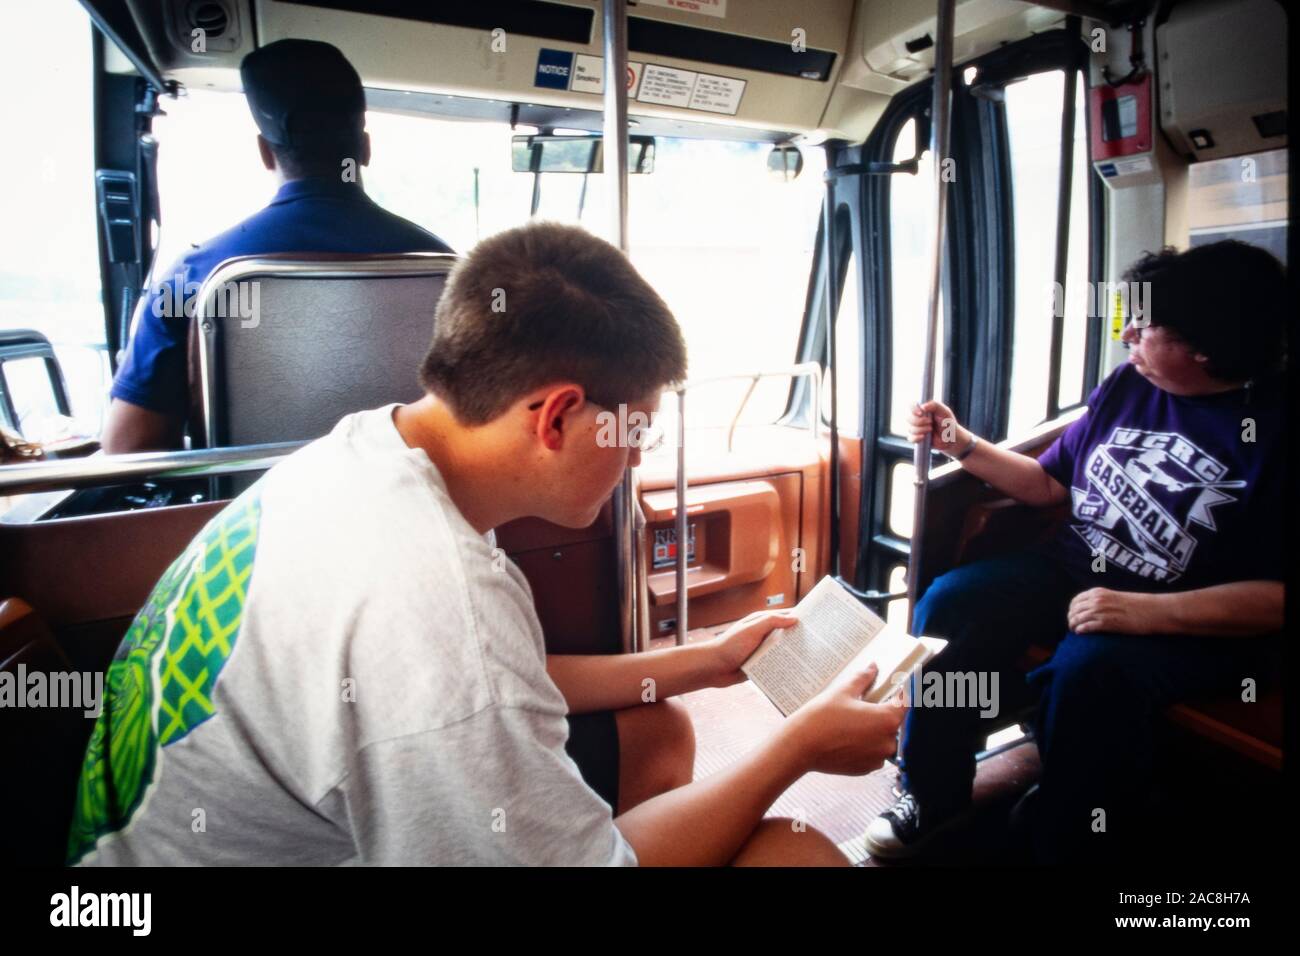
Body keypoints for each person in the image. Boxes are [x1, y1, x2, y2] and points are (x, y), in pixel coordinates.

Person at [68, 222, 905, 866]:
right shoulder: (434, 596)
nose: (636, 459)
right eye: (633, 433)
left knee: (656, 727)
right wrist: (796, 750)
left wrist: (713, 659)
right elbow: (472, 685)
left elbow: (504, 682)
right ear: (555, 415)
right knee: (794, 848)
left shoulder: (366, 453)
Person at [864, 239, 1287, 864]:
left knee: (1089, 673)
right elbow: (1048, 485)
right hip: (1078, 567)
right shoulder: (1129, 385)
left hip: (1195, 614)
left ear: (1206, 349)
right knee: (954, 601)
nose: (1126, 334)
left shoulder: (1276, 431)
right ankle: (931, 790)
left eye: (1145, 328)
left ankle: (1066, 834)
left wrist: (1146, 614)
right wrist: (963, 445)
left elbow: (1278, 598)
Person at [102, 39, 453, 454]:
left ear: (265, 152)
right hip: (410, 514)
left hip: (251, 517)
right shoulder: (446, 271)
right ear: (365, 149)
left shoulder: (191, 278)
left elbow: (127, 448)